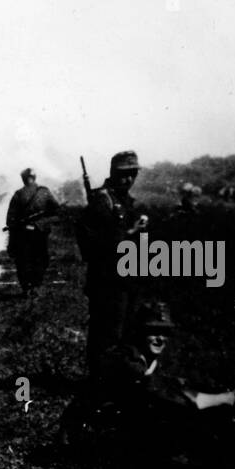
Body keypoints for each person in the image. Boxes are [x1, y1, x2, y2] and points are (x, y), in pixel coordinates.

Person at [59, 302, 235, 469]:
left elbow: (171, 389)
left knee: (201, 408)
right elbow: (168, 399)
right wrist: (219, 399)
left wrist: (211, 397)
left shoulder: (141, 356)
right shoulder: (126, 361)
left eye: (166, 332)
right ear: (139, 331)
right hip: (95, 437)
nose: (160, 338)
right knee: (191, 419)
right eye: (153, 330)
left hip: (119, 427)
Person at [76, 150, 147, 376]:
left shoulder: (125, 201)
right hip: (106, 281)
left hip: (126, 280)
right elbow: (93, 243)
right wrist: (130, 232)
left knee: (125, 334)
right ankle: (99, 383)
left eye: (132, 174)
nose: (128, 179)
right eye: (124, 174)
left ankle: (114, 382)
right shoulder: (102, 200)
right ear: (113, 173)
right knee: (106, 335)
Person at [4, 167, 60, 292]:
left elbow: (10, 219)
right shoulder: (45, 192)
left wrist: (15, 232)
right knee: (40, 259)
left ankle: (26, 288)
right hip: (40, 233)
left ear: (23, 179)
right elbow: (57, 213)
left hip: (22, 234)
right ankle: (36, 285)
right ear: (34, 178)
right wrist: (43, 223)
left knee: (23, 261)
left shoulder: (18, 194)